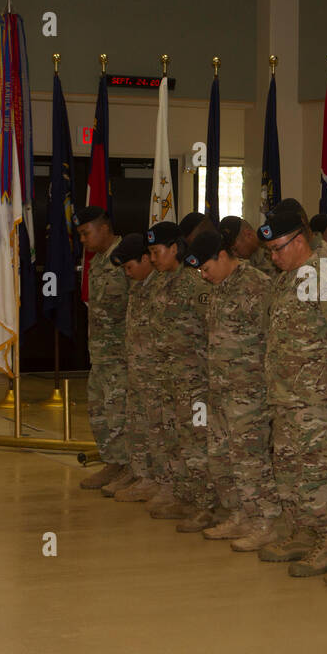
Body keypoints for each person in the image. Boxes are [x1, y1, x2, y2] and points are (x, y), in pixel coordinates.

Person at [254, 205, 327, 563]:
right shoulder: (286, 277)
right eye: (270, 251)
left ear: (301, 237)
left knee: (321, 469)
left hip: (318, 398)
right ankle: (302, 531)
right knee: (290, 467)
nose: (274, 257)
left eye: (279, 248)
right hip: (285, 396)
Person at [184, 230, 279, 541]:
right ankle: (240, 514)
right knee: (223, 457)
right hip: (221, 391)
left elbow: (272, 340)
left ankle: (264, 521)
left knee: (250, 458)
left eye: (206, 268)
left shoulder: (257, 286)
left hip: (249, 392)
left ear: (223, 256)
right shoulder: (218, 288)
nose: (203, 274)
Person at [144, 220, 213, 530]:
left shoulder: (195, 285)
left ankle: (207, 506)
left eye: (157, 252)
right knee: (176, 441)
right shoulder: (159, 283)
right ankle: (183, 495)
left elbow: (211, 331)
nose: (153, 258)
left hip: (194, 383)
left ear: (175, 248)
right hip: (168, 380)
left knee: (197, 443)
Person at [76, 206, 132, 494]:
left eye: (86, 233)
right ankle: (112, 462)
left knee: (119, 412)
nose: (83, 240)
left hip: (122, 355)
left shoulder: (127, 258)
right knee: (99, 411)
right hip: (101, 355)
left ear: (105, 229)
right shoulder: (98, 262)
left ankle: (127, 467)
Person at [108, 234, 160, 503]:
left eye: (130, 267)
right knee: (138, 426)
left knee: (156, 430)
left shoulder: (160, 287)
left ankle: (157, 481)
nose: (127, 274)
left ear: (146, 259)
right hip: (138, 373)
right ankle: (142, 475)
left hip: (157, 376)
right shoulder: (139, 288)